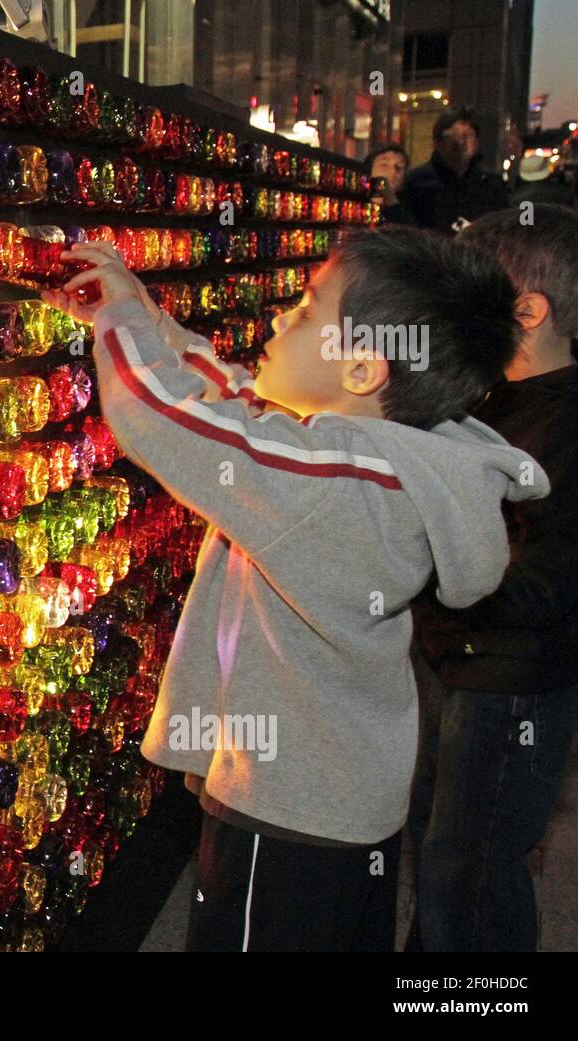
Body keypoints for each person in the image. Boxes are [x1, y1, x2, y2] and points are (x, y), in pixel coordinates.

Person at [41, 229, 547, 951]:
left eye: (309, 311)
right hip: (341, 806)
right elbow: (240, 403)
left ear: (365, 370)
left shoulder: (335, 487)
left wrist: (118, 322)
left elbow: (176, 424)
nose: (282, 318)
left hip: (286, 816)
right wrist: (143, 312)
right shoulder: (381, 458)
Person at [407, 204, 578, 952]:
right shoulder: (494, 398)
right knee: (444, 864)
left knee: (471, 880)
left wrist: (436, 565)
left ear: (527, 310)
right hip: (462, 667)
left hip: (509, 687)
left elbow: (546, 581)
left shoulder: (562, 423)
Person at [403, 108, 510, 233]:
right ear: (438, 142)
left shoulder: (491, 183)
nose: (463, 143)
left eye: (469, 136)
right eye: (456, 137)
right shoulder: (417, 181)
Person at [365, 143, 416, 225]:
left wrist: (391, 201)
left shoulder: (411, 207)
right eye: (384, 165)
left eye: (399, 167)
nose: (393, 172)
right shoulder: (353, 199)